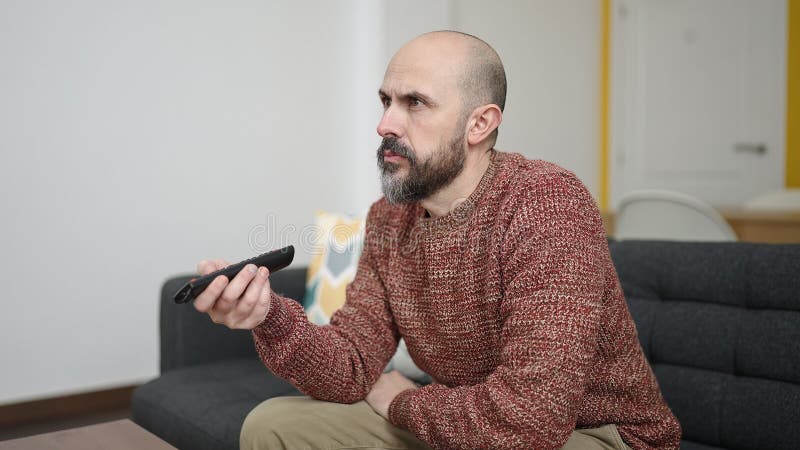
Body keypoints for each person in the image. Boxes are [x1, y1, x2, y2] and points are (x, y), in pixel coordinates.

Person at [193, 31, 681, 450]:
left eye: (415, 103)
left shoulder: (546, 202)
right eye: (386, 101)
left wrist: (402, 401)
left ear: (479, 124)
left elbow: (533, 419)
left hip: (595, 435)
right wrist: (268, 317)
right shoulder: (389, 219)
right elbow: (354, 366)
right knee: (274, 426)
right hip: (471, 427)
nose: (385, 124)